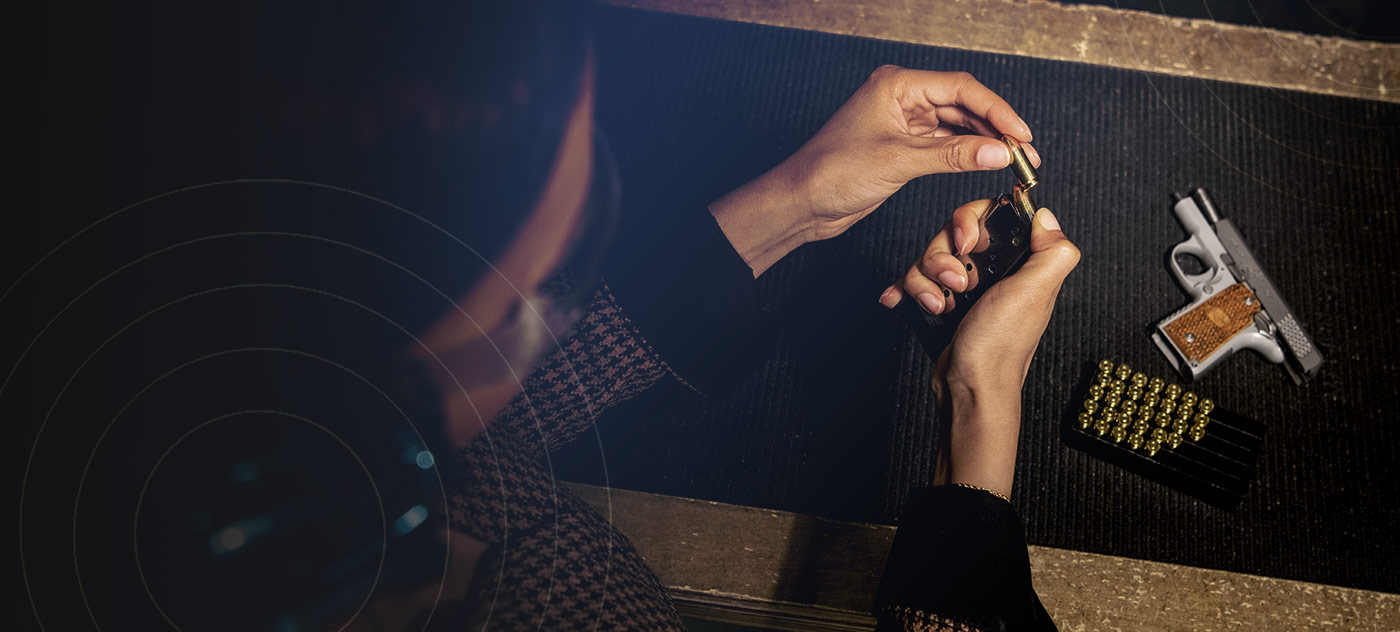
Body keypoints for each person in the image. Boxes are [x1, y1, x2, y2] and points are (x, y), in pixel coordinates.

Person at [80, 1, 1076, 630]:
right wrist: (978, 415)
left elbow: (470, 448)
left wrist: (800, 196)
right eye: (552, 284)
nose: (571, 308)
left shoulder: (252, 430)